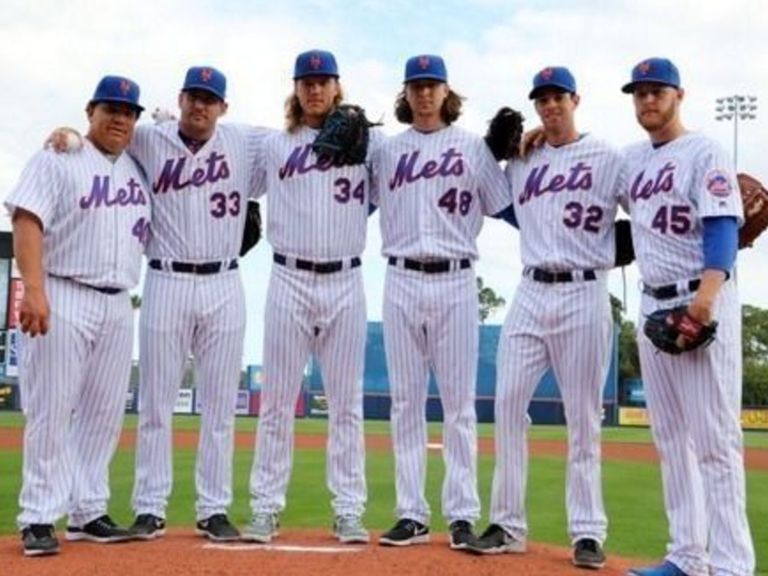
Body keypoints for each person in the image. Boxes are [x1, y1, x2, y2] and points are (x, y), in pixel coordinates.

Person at [466, 67, 625, 570]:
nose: (550, 106)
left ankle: (588, 532)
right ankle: (508, 525)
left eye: (558, 97)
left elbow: (640, 213)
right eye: (542, 100)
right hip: (531, 291)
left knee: (583, 417)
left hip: (584, 292)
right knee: (507, 404)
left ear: (576, 99)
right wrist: (495, 153)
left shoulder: (608, 157)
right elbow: (502, 205)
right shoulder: (523, 160)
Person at [370, 54, 512, 550]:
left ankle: (461, 516)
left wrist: (524, 158)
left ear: (447, 91)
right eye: (416, 85)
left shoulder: (474, 149)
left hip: (455, 279)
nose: (425, 94)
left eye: (433, 85)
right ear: (406, 94)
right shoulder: (386, 151)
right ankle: (411, 513)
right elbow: (349, 201)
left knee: (459, 406)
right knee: (405, 403)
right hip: (401, 277)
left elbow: (512, 208)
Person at [620, 58, 755, 576]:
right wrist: (545, 134)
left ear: (679, 95)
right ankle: (686, 556)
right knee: (671, 440)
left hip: (700, 299)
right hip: (653, 303)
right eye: (640, 93)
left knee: (716, 441)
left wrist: (704, 301)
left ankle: (731, 566)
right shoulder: (631, 159)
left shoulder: (705, 151)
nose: (648, 100)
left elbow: (722, 225)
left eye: (658, 91)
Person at [6, 75, 149, 556]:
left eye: (129, 112)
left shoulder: (138, 168)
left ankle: (88, 510)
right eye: (111, 108)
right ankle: (40, 516)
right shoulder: (59, 156)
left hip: (117, 301)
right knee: (51, 409)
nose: (120, 118)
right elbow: (26, 218)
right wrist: (34, 289)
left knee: (104, 414)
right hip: (64, 291)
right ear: (91, 111)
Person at [127, 66, 265, 542]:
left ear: (224, 107)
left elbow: (300, 147)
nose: (200, 106)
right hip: (165, 278)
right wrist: (65, 133)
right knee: (155, 404)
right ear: (181, 98)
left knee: (221, 406)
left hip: (224, 281)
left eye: (211, 99)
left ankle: (214, 509)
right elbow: (99, 142)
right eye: (194, 97)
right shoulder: (147, 139)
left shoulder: (246, 142)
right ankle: (149, 506)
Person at [242, 49, 371, 545]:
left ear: (338, 87)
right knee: (276, 402)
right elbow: (211, 147)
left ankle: (348, 510)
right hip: (288, 279)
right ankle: (265, 508)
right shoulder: (273, 145)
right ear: (295, 89)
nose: (314, 89)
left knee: (346, 405)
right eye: (306, 81)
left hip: (346, 280)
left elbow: (414, 171)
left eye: (323, 81)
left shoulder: (370, 145)